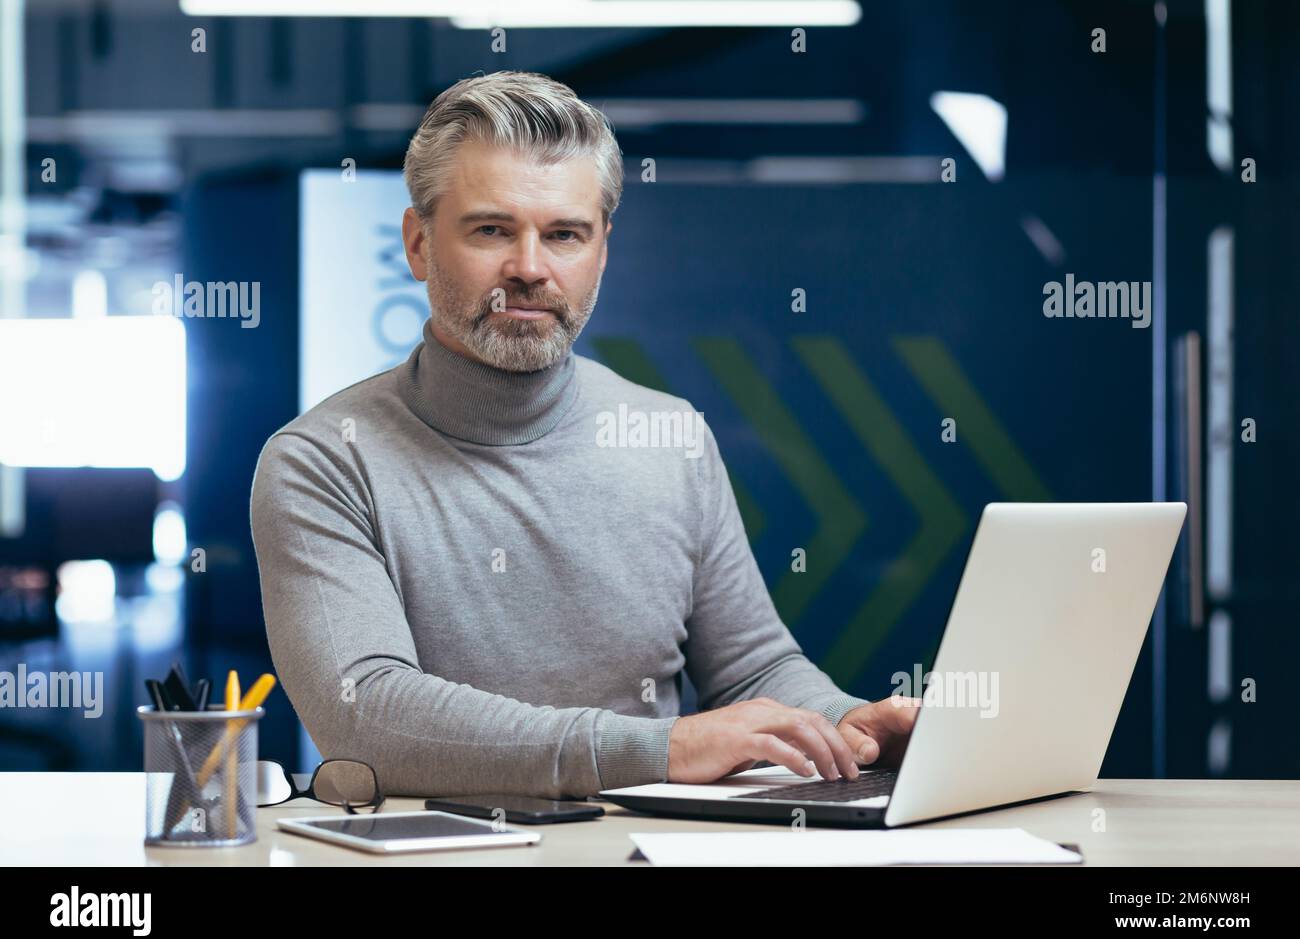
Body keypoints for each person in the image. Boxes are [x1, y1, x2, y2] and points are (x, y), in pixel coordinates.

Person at [251, 71, 917, 798]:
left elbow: (755, 671)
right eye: (491, 230)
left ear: (601, 251)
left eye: (564, 234)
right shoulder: (321, 463)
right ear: (417, 245)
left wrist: (850, 722)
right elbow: (367, 718)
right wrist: (659, 748)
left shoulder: (670, 436)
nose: (530, 268)